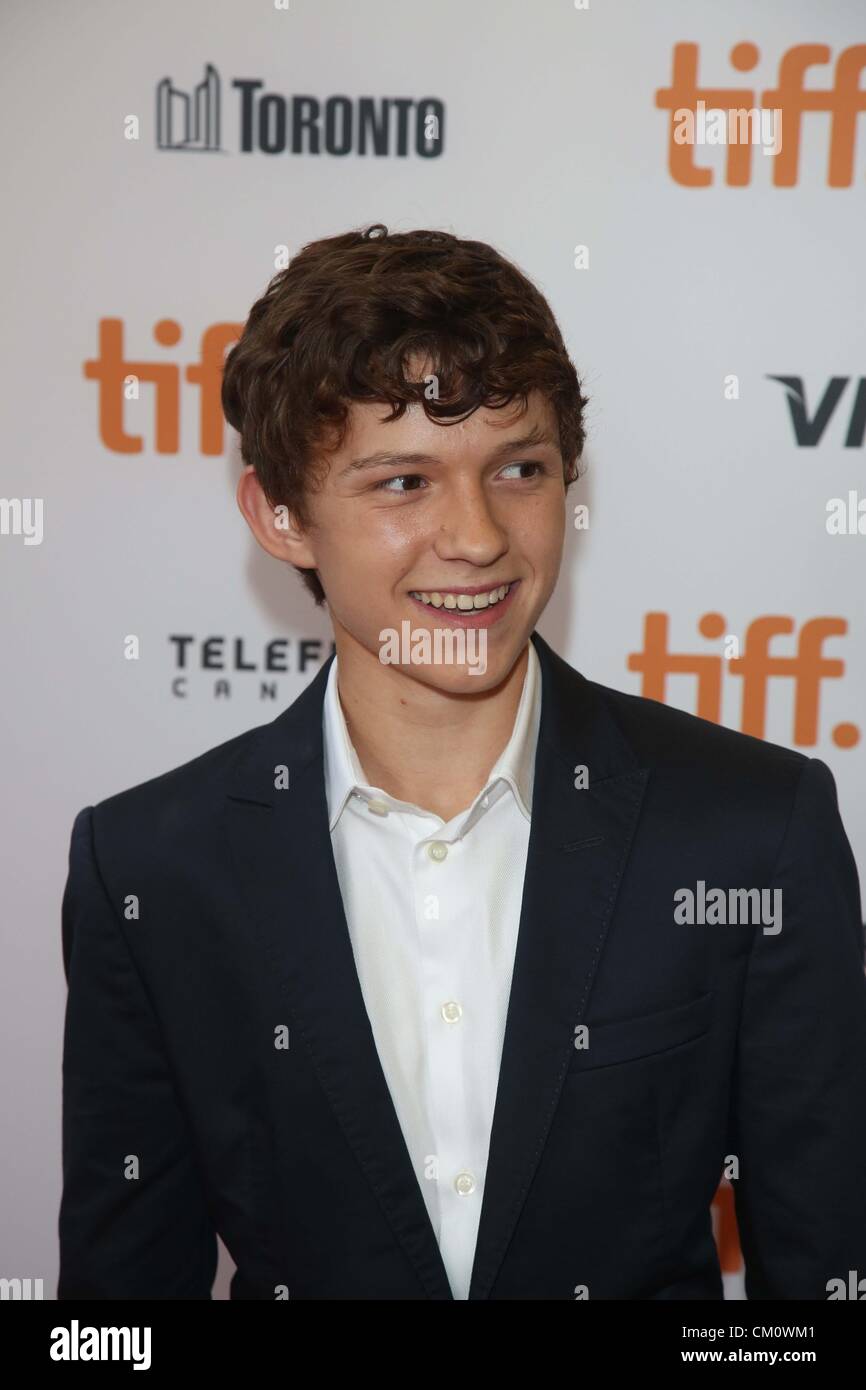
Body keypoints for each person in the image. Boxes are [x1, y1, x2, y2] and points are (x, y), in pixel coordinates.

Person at [58, 224, 866, 1300]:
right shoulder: (151, 868)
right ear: (280, 516)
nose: (478, 536)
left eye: (517, 468)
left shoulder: (752, 830)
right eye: (402, 483)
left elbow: (821, 1294)